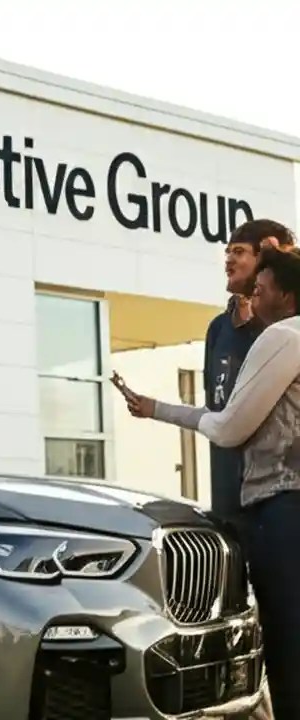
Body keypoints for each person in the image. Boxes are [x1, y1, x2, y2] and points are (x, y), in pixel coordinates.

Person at [121, 244, 300, 720]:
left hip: (282, 511)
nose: (253, 301)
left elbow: (228, 428)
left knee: (287, 654)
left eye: (260, 291)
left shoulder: (283, 337)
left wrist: (158, 409)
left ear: (286, 295)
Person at [201, 219, 295, 535]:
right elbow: (214, 413)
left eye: (239, 252)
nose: (229, 260)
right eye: (227, 252)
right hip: (228, 502)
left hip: (279, 503)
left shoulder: (285, 330)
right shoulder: (218, 329)